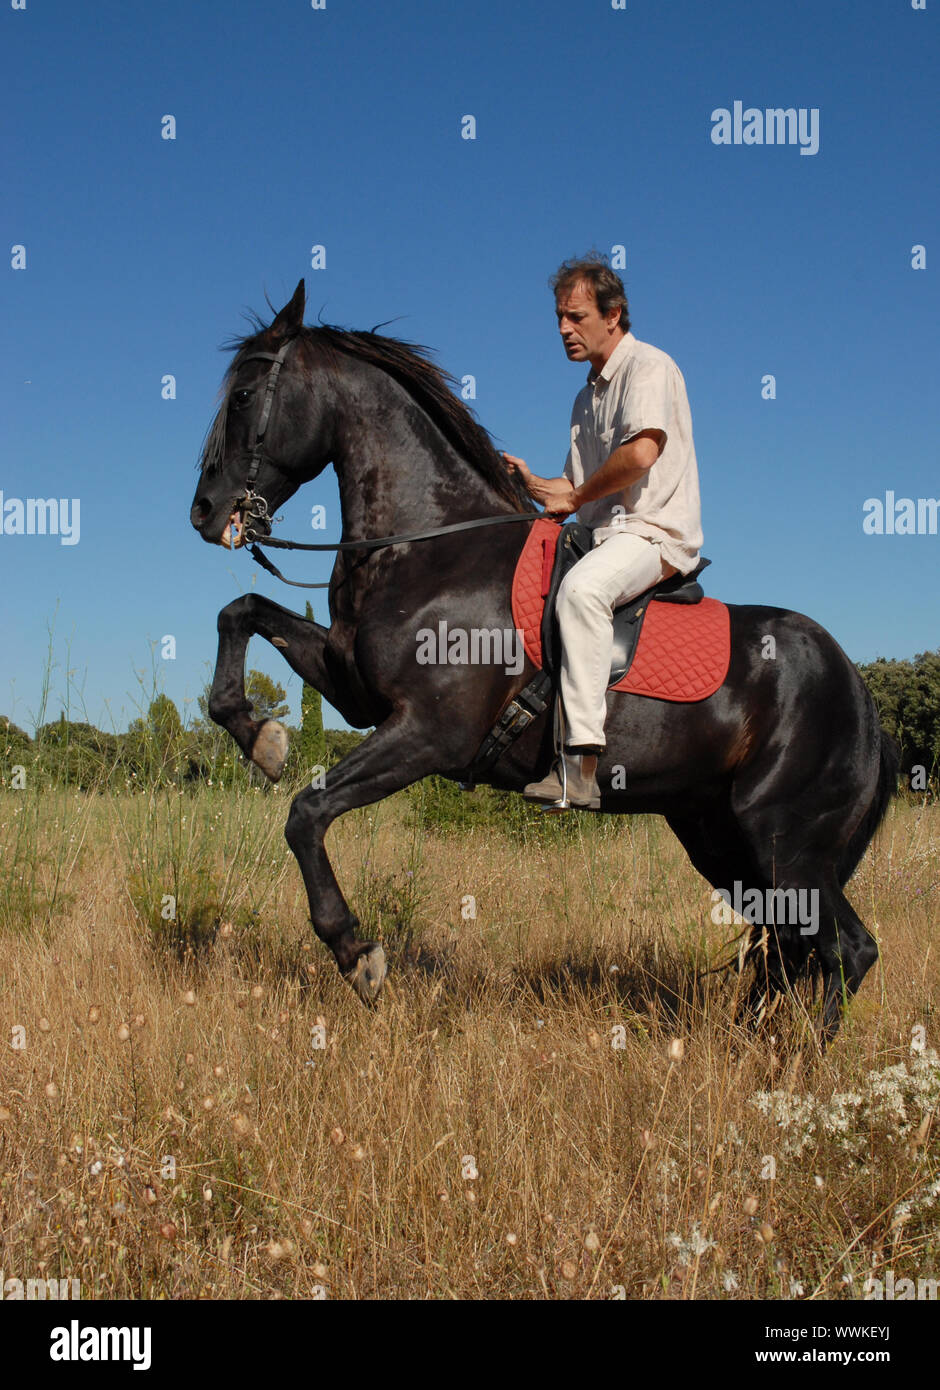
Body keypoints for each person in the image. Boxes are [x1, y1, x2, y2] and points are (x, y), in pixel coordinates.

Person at [504, 255, 703, 809]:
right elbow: (570, 488)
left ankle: (580, 765)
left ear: (613, 315)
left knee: (583, 591)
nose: (564, 329)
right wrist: (530, 485)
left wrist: (573, 495)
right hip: (600, 534)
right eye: (559, 318)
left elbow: (639, 455)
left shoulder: (650, 367)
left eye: (576, 316)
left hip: (652, 534)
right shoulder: (583, 396)